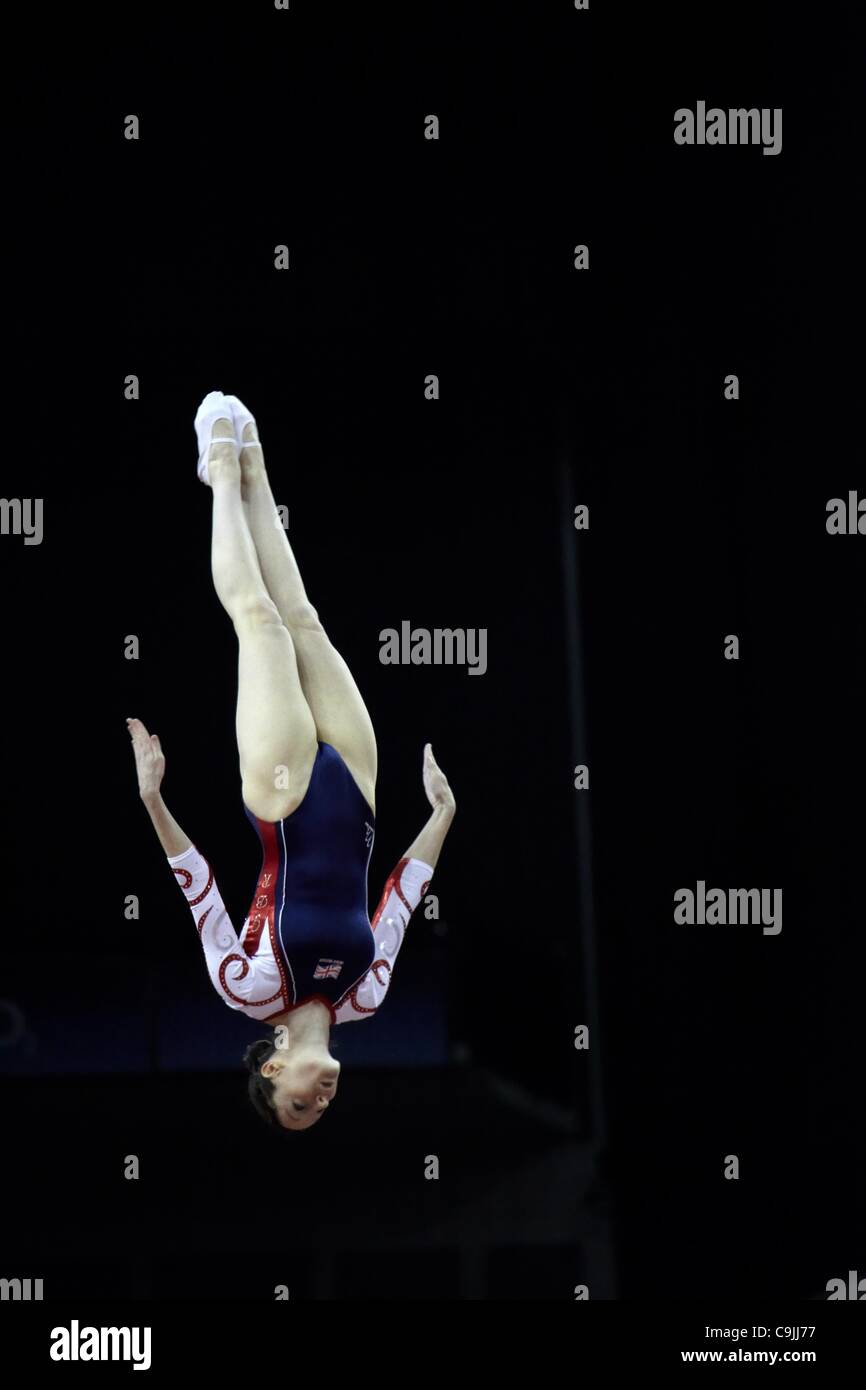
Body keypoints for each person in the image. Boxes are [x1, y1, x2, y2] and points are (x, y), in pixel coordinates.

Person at [126, 391, 456, 1131]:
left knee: (262, 624)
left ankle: (218, 472)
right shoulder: (365, 997)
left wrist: (152, 799)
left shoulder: (247, 990)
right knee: (304, 619)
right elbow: (401, 898)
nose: (321, 1098)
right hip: (360, 792)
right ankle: (253, 464)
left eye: (299, 1104)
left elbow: (199, 891)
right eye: (322, 1109)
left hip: (286, 798)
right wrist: (442, 815)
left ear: (272, 1070)